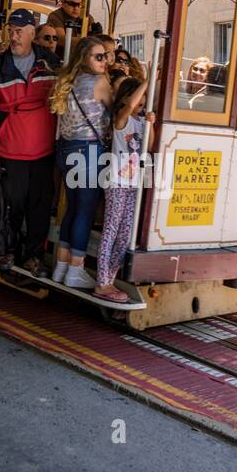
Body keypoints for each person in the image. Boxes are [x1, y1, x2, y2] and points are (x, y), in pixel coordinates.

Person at [0, 8, 59, 277]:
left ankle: (34, 256)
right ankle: (8, 249)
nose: (13, 36)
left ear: (33, 33)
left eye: (19, 31)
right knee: (12, 203)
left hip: (44, 150)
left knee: (40, 206)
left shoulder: (50, 63)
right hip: (10, 149)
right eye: (11, 30)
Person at [49, 36, 112, 288]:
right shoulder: (100, 82)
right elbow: (118, 110)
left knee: (72, 208)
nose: (104, 61)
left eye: (105, 56)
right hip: (89, 151)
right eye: (99, 56)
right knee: (85, 210)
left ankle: (61, 267)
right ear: (84, 58)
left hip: (66, 149)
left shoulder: (67, 81)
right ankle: (76, 269)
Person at [95, 76, 152, 304]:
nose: (141, 103)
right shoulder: (121, 120)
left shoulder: (139, 122)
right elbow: (128, 106)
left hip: (134, 183)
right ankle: (102, 283)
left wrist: (151, 123)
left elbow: (149, 146)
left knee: (125, 234)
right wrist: (148, 80)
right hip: (117, 182)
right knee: (111, 229)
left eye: (144, 100)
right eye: (139, 99)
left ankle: (110, 277)